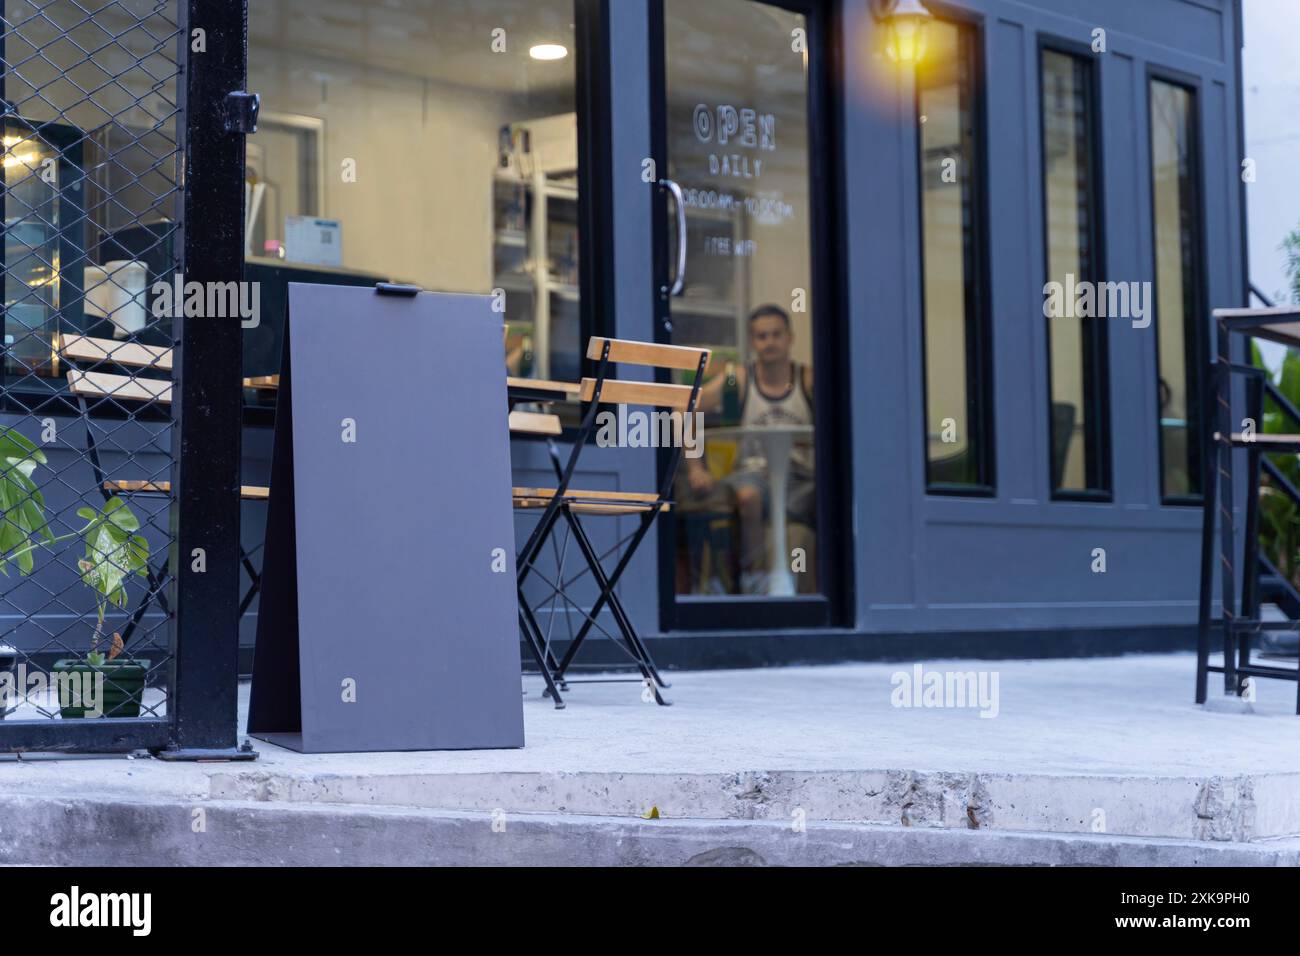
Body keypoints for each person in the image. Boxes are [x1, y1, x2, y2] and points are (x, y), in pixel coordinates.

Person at [685, 304, 816, 594]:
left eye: (776, 335)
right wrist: (696, 467)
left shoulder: (807, 379)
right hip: (754, 474)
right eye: (761, 336)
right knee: (748, 497)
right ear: (752, 341)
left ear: (790, 338)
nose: (769, 342)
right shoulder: (740, 378)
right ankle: (755, 581)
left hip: (802, 480)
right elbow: (687, 406)